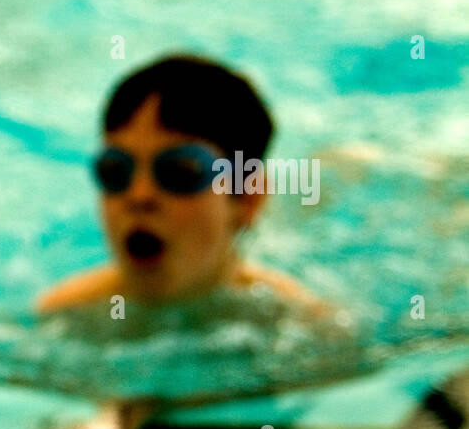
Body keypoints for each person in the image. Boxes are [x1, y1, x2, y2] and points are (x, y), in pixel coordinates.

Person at [35, 54, 326, 316]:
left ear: (247, 199)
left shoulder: (301, 323)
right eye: (115, 170)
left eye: (180, 173)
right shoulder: (64, 314)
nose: (139, 196)